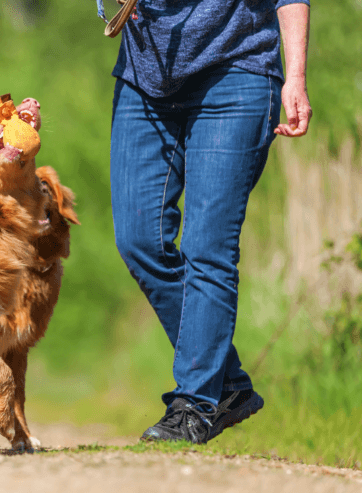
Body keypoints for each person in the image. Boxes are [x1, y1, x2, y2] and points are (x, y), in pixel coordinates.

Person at [109, 0, 311, 443]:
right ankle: (230, 384)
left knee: (207, 246)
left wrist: (295, 76)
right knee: (139, 240)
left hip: (236, 72)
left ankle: (196, 404)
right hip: (145, 77)